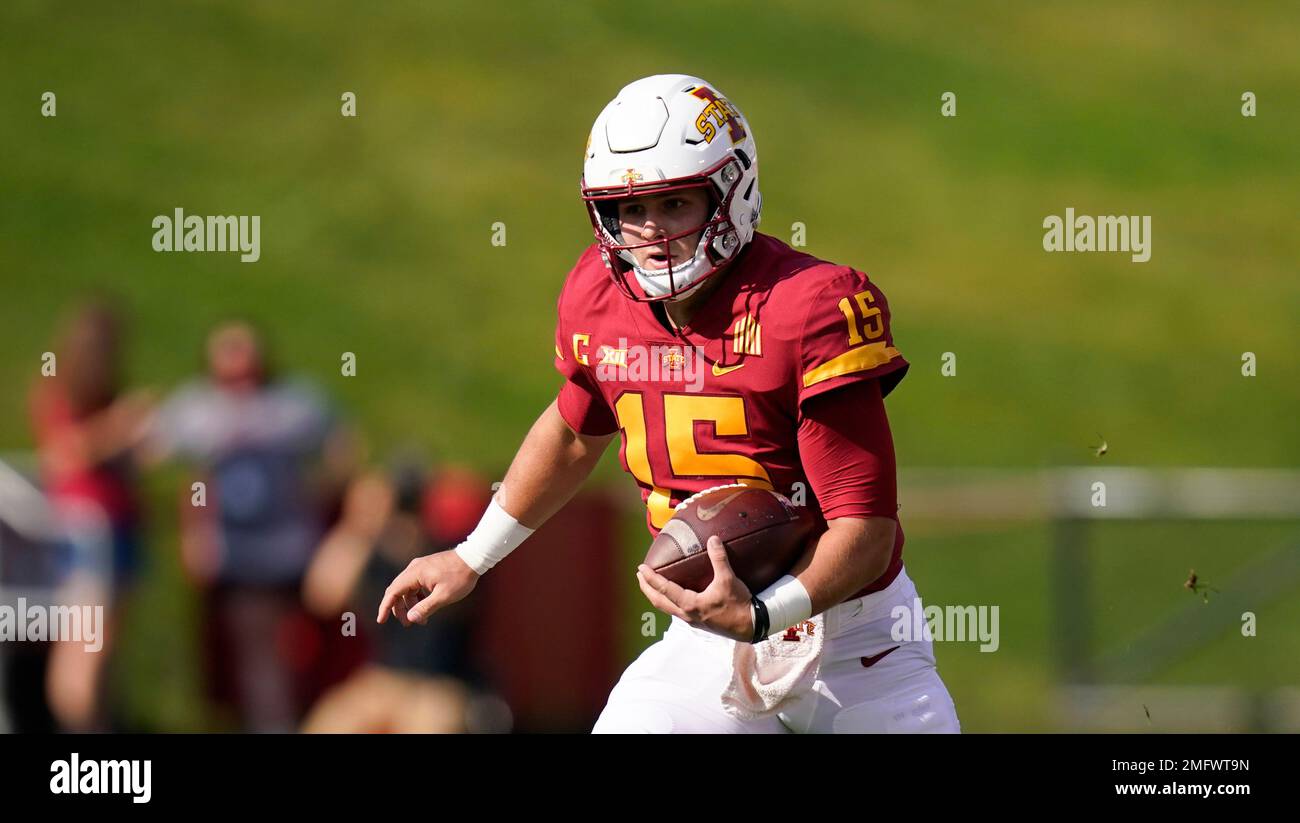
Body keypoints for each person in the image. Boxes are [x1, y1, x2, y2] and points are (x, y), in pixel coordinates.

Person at [379, 74, 959, 733]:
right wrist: (469, 556)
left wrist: (764, 613)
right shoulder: (599, 299)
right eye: (630, 210)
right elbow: (572, 434)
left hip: (853, 641)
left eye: (675, 203)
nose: (651, 232)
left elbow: (867, 532)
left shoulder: (808, 306)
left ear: (731, 192)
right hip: (707, 639)